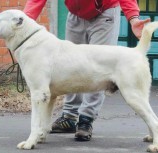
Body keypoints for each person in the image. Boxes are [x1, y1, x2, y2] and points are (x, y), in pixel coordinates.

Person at [23, 0, 150, 141]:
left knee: (98, 68)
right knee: (70, 65)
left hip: (104, 13)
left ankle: (86, 119)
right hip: (75, 14)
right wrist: (24, 21)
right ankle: (69, 117)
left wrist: (133, 18)